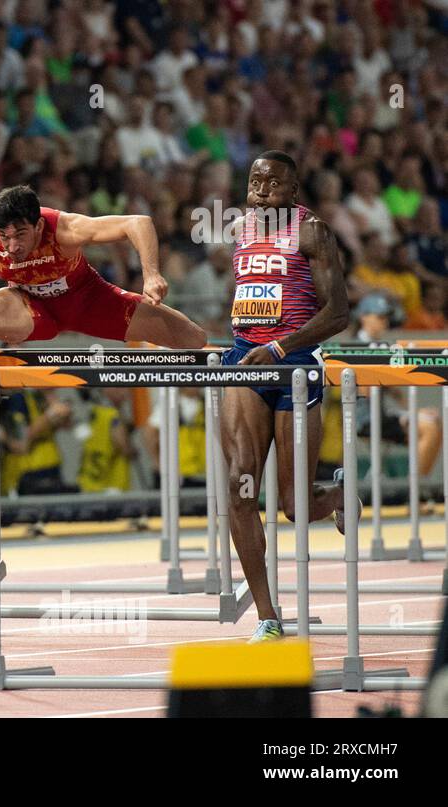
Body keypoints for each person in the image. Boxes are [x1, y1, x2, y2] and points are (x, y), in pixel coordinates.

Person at [0, 184, 206, 403]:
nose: (12, 247)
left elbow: (137, 222)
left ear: (39, 226)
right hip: (32, 310)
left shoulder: (64, 230)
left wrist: (151, 275)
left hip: (92, 302)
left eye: (21, 235)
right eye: (5, 236)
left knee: (194, 340)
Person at [218, 151, 351, 643]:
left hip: (293, 363)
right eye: (255, 179)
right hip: (245, 360)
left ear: (294, 192)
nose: (262, 186)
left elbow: (338, 313)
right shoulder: (239, 230)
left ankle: (336, 493)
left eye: (274, 181)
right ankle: (267, 615)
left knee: (293, 505)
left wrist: (279, 346)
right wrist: (250, 342)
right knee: (239, 485)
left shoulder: (312, 231)